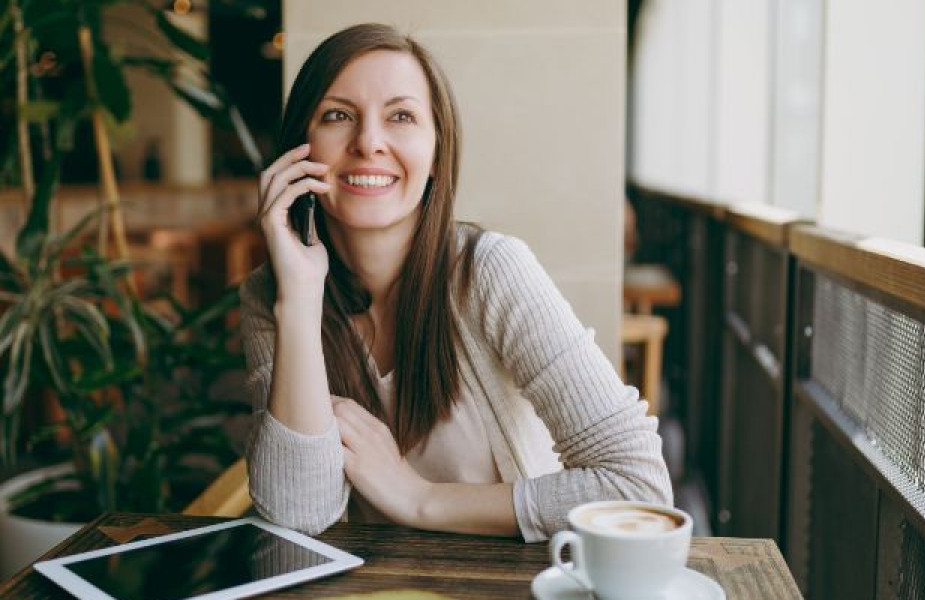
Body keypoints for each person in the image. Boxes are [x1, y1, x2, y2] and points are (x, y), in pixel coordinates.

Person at [243, 23, 671, 542]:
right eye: (338, 115)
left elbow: (639, 487)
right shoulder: (276, 293)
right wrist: (301, 299)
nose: (369, 143)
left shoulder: (490, 271)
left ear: (435, 154)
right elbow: (297, 515)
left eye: (400, 116)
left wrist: (420, 499)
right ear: (300, 149)